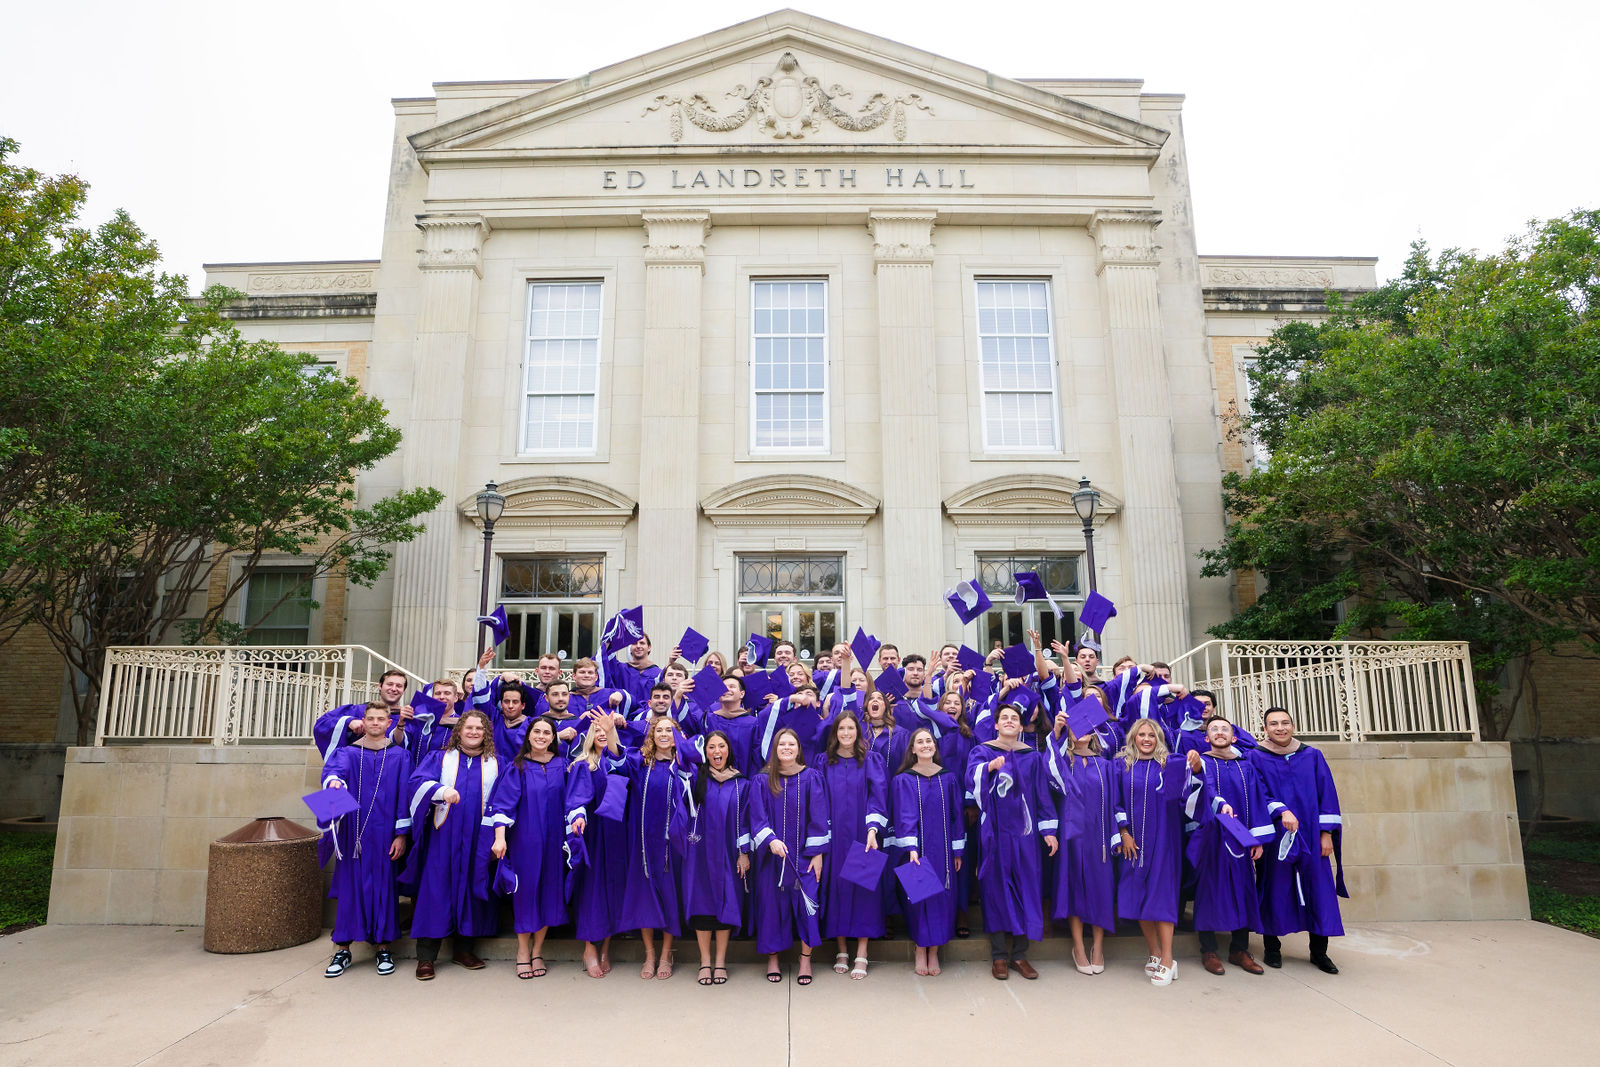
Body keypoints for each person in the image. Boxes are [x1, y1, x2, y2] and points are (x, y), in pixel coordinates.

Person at [1185, 715, 1297, 977]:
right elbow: (1198, 795)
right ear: (1206, 737)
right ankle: (1209, 950)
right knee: (1209, 892)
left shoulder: (1245, 766)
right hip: (1212, 840)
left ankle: (1239, 949)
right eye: (1214, 729)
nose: (1220, 732)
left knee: (1243, 890)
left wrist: (1256, 839)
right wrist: (1214, 796)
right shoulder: (1201, 764)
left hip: (1241, 839)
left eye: (1225, 729)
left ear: (1234, 737)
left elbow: (1260, 798)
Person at [318, 701, 413, 977]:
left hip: (385, 836)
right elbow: (332, 773)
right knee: (350, 890)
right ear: (364, 720)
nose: (374, 723)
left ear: (388, 723)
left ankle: (384, 948)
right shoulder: (347, 753)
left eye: (380, 719)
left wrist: (401, 835)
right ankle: (343, 949)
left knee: (385, 890)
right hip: (353, 835)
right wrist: (334, 783)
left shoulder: (400, 756)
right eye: (370, 718)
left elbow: (404, 799)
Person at [1248, 707, 1346, 973]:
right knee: (1273, 888)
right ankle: (1272, 948)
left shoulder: (1312, 756)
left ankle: (1319, 953)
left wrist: (1326, 834)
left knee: (1319, 890)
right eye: (1274, 724)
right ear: (1265, 729)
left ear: (1293, 725)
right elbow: (1258, 793)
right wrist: (1281, 810)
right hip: (1276, 836)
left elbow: (1327, 794)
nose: (1280, 728)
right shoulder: (1256, 757)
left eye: (1285, 722)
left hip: (1313, 835)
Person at [405, 709, 501, 980]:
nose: (473, 732)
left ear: (486, 734)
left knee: (472, 888)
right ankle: (426, 957)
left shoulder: (496, 762)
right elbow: (417, 783)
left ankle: (463, 950)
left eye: (479, 729)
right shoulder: (439, 757)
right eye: (468, 728)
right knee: (435, 891)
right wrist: (440, 791)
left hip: (478, 837)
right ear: (458, 731)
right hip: (443, 835)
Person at [966, 704, 1059, 981]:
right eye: (1004, 717)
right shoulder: (982, 751)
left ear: (1021, 727)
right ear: (996, 725)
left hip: (1025, 835)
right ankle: (998, 956)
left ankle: (1020, 954)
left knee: (1026, 889)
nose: (1008, 721)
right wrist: (988, 768)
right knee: (994, 891)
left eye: (1014, 719)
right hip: (994, 834)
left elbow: (1043, 794)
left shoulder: (1032, 756)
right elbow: (970, 780)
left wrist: (1049, 831)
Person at [487, 716, 569, 979]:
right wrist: (499, 838)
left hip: (556, 841)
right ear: (529, 736)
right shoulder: (518, 767)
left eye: (547, 732)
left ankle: (538, 951)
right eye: (537, 731)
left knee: (549, 892)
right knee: (526, 893)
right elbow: (503, 804)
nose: (542, 736)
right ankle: (523, 951)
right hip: (525, 840)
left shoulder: (562, 765)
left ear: (553, 738)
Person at [1114, 717, 1191, 986]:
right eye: (1141, 734)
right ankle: (1154, 952)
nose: (1146, 739)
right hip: (1132, 844)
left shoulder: (1170, 765)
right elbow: (1116, 802)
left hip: (1164, 842)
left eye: (1151, 735)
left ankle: (1169, 959)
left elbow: (1185, 799)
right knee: (1138, 896)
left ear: (1159, 738)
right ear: (1133, 737)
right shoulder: (1121, 765)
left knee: (1161, 897)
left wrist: (1191, 771)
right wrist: (1123, 832)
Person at [749, 728, 829, 984]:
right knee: (771, 907)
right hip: (772, 858)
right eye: (781, 744)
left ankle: (805, 958)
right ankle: (773, 957)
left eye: (791, 744)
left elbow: (819, 818)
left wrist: (817, 854)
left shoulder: (811, 777)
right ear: (775, 749)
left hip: (805, 857)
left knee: (809, 906)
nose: (786, 748)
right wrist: (770, 840)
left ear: (798, 748)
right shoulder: (762, 780)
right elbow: (757, 817)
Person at [616, 716, 693, 980]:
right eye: (658, 730)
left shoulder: (685, 765)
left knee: (670, 897)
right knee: (645, 898)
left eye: (669, 731)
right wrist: (608, 732)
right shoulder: (641, 762)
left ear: (677, 736)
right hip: (643, 843)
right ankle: (649, 953)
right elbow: (618, 761)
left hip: (672, 845)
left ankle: (666, 954)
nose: (663, 734)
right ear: (651, 735)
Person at [1048, 708, 1118, 975]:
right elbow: (1049, 765)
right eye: (1075, 727)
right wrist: (1056, 731)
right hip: (1072, 835)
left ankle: (1098, 945)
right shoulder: (1064, 762)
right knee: (1074, 886)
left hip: (1099, 836)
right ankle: (1078, 945)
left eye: (1087, 726)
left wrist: (1116, 833)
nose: (1083, 731)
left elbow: (1114, 802)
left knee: (1101, 888)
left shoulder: (1105, 764)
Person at [818, 713, 888, 979]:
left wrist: (872, 830)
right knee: (836, 888)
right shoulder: (823, 762)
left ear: (858, 732)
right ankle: (841, 949)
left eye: (851, 728)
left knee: (863, 888)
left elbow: (878, 795)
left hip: (862, 835)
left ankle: (862, 951)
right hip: (834, 837)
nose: (846, 733)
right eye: (841, 728)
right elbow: (818, 799)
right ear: (834, 732)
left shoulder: (871, 760)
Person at [890, 727, 964, 976]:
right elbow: (904, 816)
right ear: (912, 749)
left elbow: (956, 817)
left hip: (943, 852)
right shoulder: (904, 780)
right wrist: (910, 848)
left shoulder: (948, 778)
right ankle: (921, 949)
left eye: (928, 741)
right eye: (919, 742)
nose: (925, 745)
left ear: (935, 747)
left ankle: (935, 952)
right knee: (919, 900)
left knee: (943, 899)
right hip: (917, 851)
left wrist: (957, 851)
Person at [682, 730, 751, 986]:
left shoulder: (742, 783)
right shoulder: (696, 779)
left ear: (728, 750)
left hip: (729, 853)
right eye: (711, 747)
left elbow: (747, 819)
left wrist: (744, 853)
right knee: (702, 905)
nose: (716, 752)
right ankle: (704, 962)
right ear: (705, 752)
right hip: (699, 853)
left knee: (726, 904)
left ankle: (720, 962)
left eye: (721, 746)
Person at [564, 715, 626, 978]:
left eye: (607, 731)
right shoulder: (582, 766)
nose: (602, 734)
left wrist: (613, 733)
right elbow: (576, 798)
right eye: (597, 730)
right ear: (589, 736)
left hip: (617, 833)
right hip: (593, 833)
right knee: (593, 892)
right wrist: (578, 816)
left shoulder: (620, 762)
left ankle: (605, 948)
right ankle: (590, 948)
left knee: (613, 888)